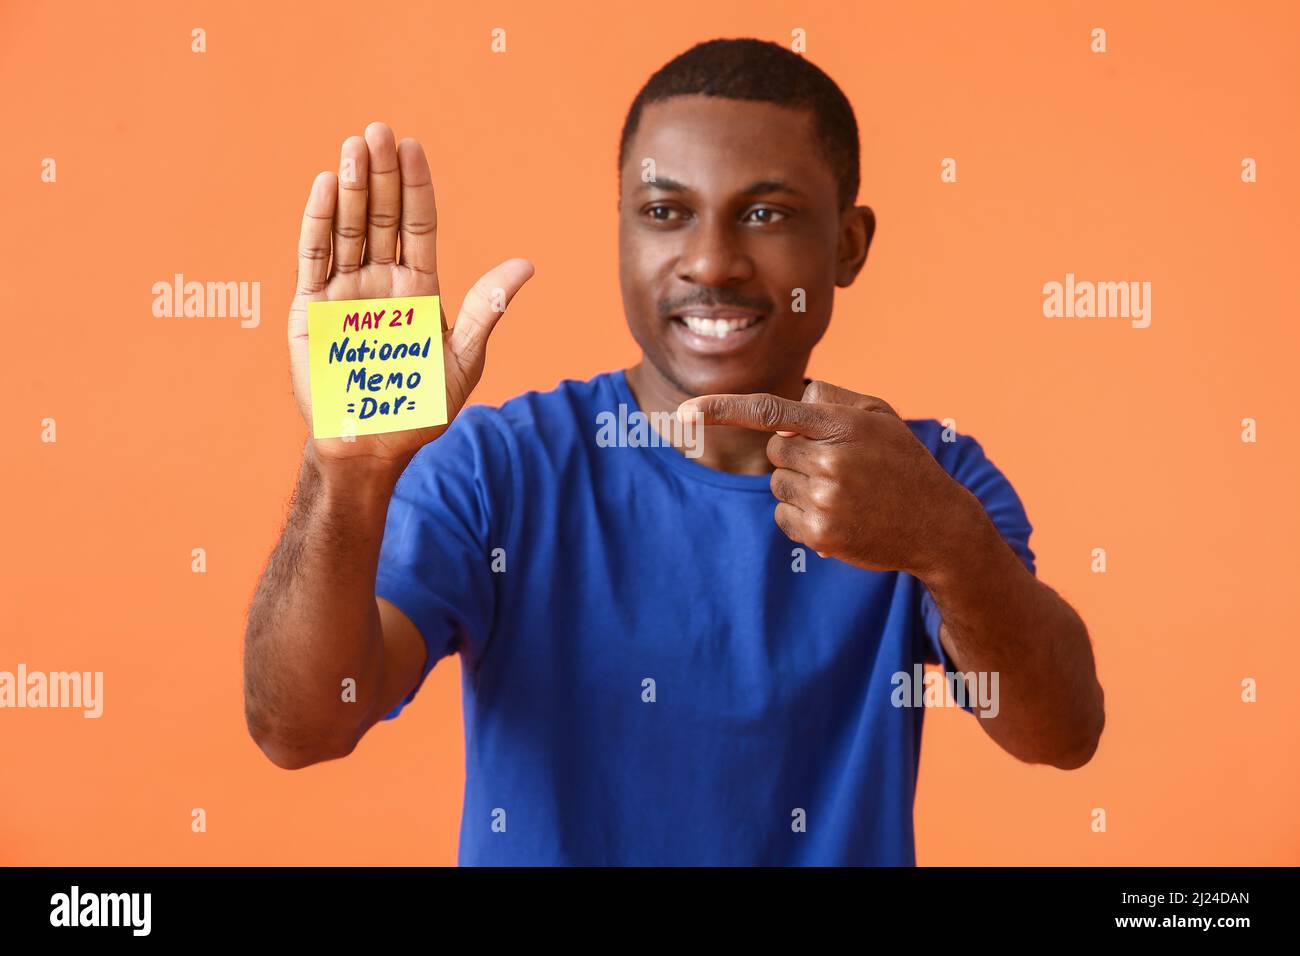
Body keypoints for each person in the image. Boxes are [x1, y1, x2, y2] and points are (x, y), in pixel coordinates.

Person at [244, 38, 1105, 866]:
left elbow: (1062, 732)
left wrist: (949, 548)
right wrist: (346, 476)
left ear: (847, 244)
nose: (711, 261)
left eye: (765, 213)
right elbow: (302, 727)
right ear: (621, 231)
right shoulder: (497, 470)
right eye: (665, 212)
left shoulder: (926, 483)